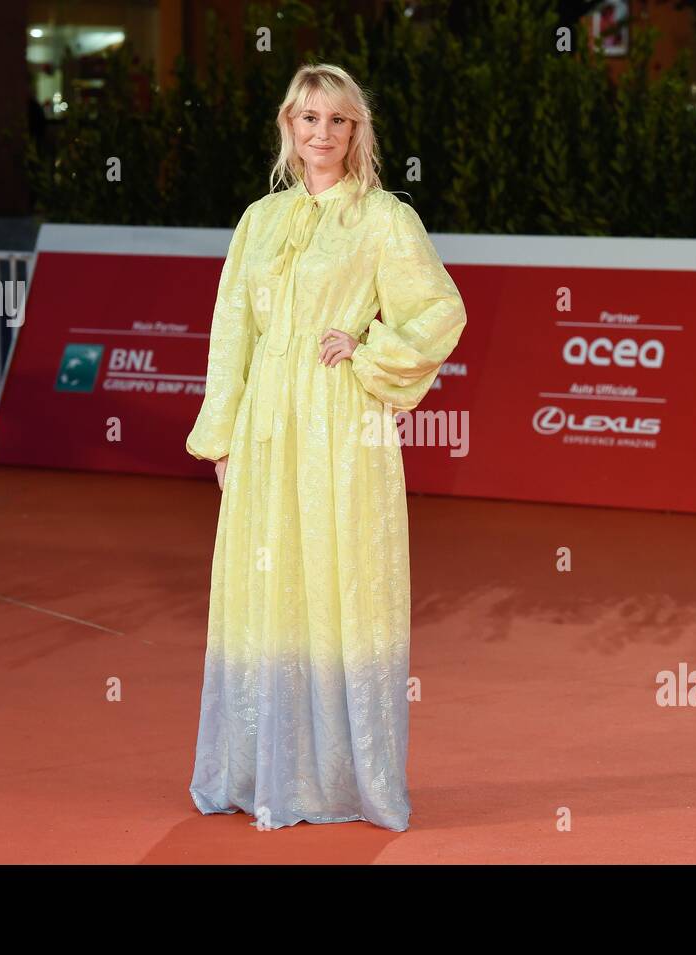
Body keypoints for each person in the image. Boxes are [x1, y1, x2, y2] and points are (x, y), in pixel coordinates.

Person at [184, 63, 467, 831]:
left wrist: (371, 349)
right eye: (308, 118)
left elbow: (441, 311)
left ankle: (344, 779)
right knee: (265, 590)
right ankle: (258, 769)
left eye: (337, 120)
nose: (321, 133)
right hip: (266, 426)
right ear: (288, 126)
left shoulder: (383, 219)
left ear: (357, 131)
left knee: (345, 583)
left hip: (343, 424)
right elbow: (230, 331)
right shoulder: (258, 220)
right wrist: (221, 434)